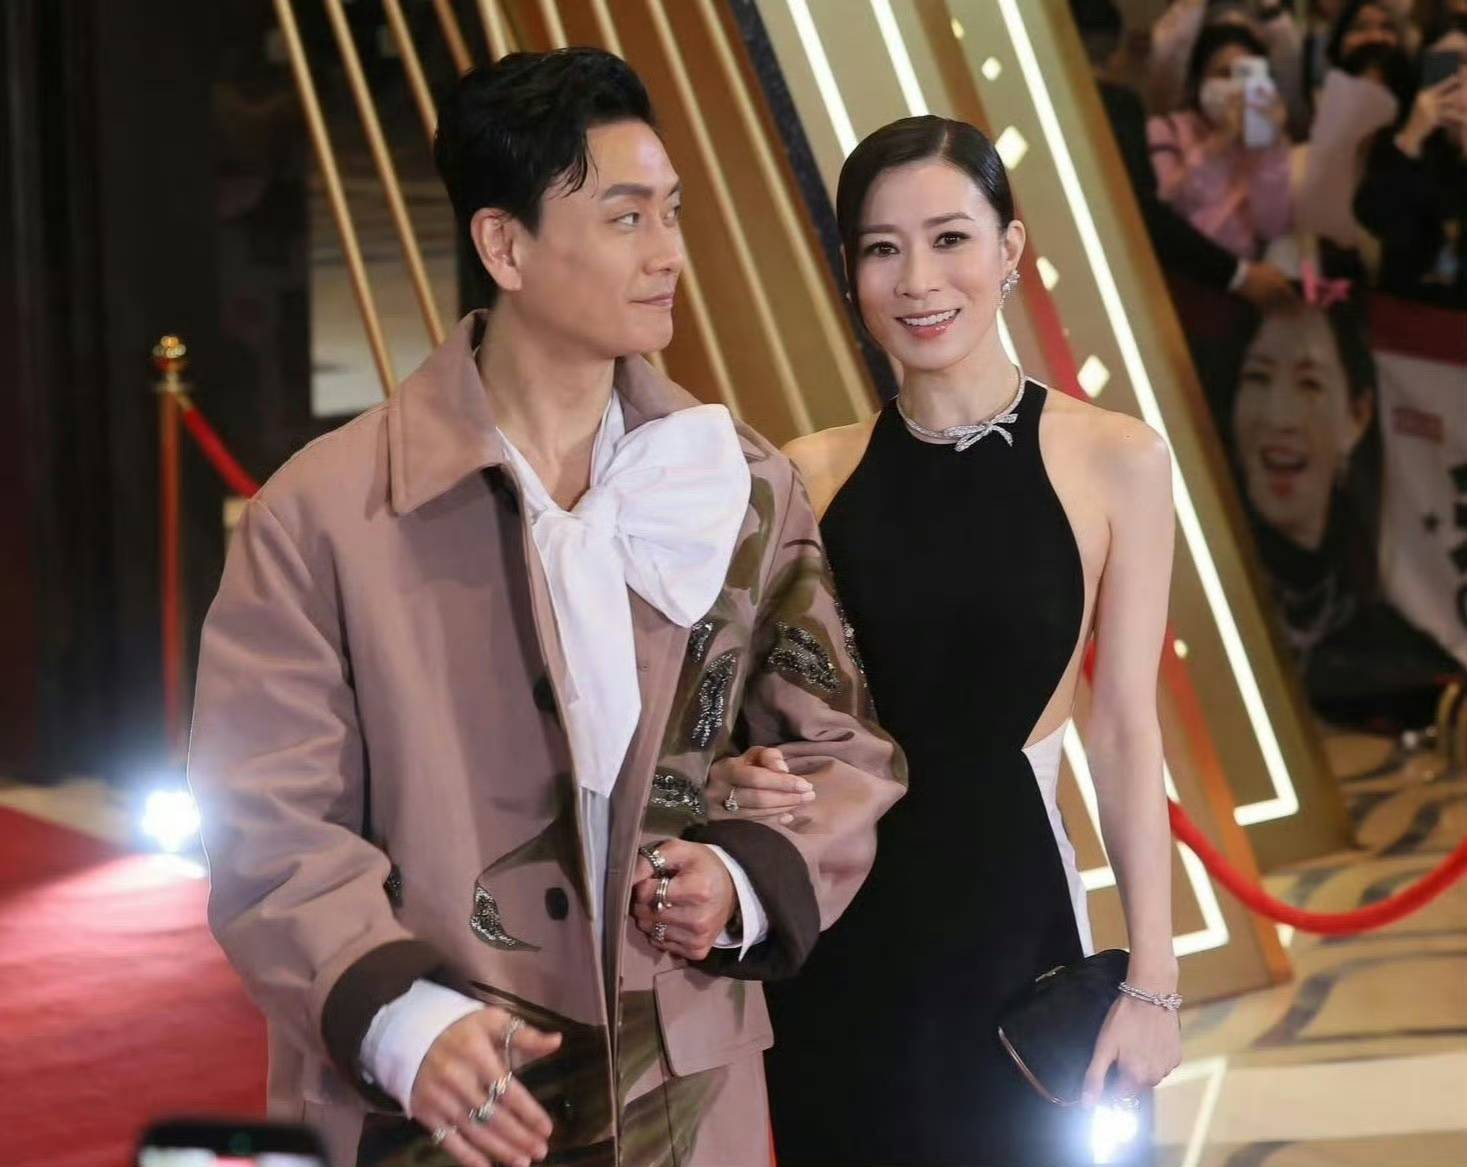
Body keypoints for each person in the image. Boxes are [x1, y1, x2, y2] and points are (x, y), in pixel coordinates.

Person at [186, 48, 905, 1167]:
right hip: (440, 1097)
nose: (669, 253)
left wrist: (741, 874)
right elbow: (265, 818)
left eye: (671, 212)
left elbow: (840, 749)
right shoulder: (321, 513)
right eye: (625, 218)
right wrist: (401, 1018)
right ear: (504, 246)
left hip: (678, 1084)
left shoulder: (739, 484)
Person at [711, 115, 1182, 1166]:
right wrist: (736, 775)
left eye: (950, 239)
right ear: (851, 274)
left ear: (1009, 250)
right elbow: (746, 713)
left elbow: (1123, 730)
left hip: (1017, 928)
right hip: (840, 935)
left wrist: (1153, 982)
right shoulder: (806, 475)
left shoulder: (1117, 460)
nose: (918, 280)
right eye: (883, 248)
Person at [1226, 289, 1460, 721]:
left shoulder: (1389, 636)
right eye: (1257, 378)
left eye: (1310, 384)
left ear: (1359, 416)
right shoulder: (1197, 586)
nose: (1279, 417)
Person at [1075, 0, 1297, 312]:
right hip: (1181, 284)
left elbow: (1272, 226)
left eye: (1247, 75)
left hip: (1240, 302)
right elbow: (1168, 208)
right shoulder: (1166, 130)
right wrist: (1218, 144)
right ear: (1198, 81)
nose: (1236, 86)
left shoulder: (1267, 147)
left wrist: (1267, 150)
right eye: (1223, 73)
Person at [1353, 34, 1466, 306]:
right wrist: (1410, 140)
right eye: (1446, 68)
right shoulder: (1400, 142)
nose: (1455, 82)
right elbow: (1373, 217)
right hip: (1405, 309)